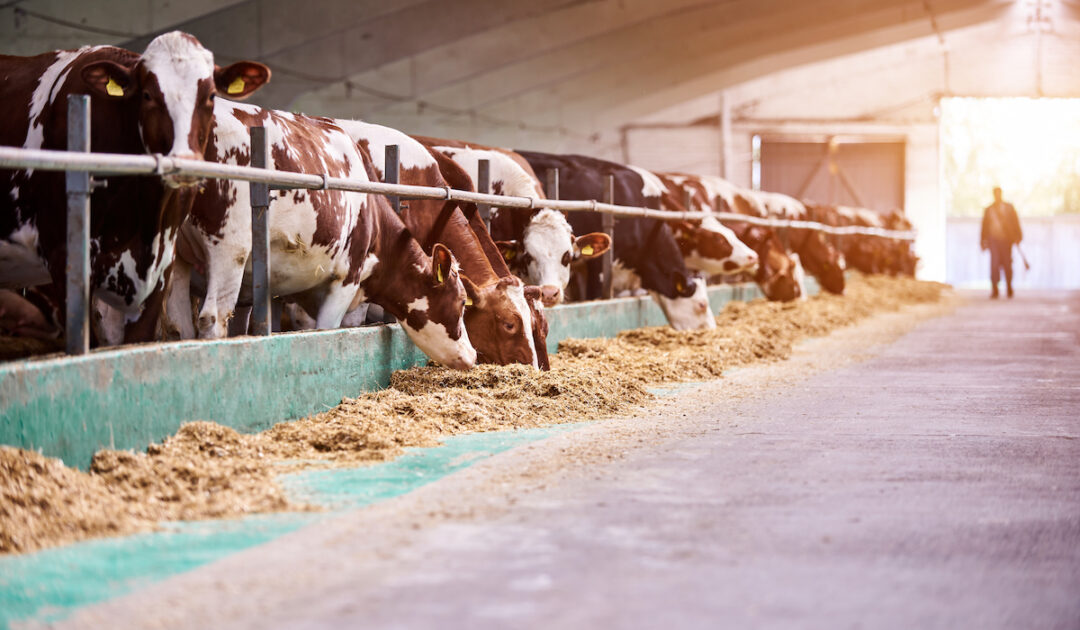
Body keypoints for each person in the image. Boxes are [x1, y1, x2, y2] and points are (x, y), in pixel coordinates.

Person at [980, 187, 1023, 299]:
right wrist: (983, 241)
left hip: (1006, 241)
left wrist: (1018, 236)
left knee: (1007, 264)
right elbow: (984, 227)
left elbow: (1015, 222)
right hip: (993, 241)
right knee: (994, 265)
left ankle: (1009, 287)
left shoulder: (1009, 208)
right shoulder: (989, 210)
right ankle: (995, 289)